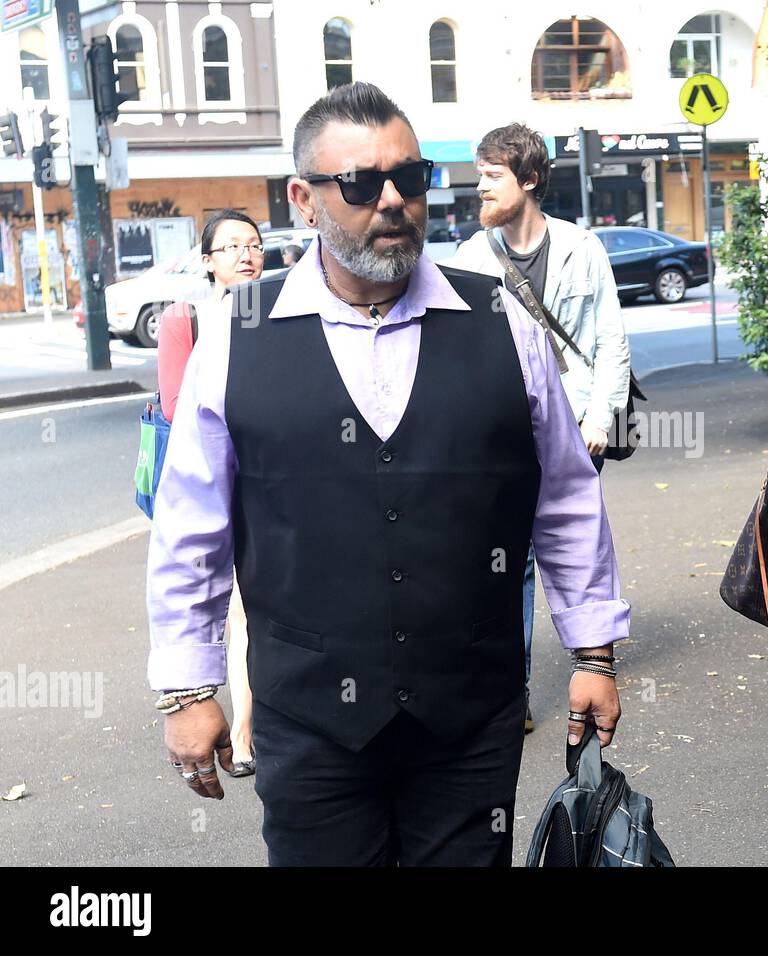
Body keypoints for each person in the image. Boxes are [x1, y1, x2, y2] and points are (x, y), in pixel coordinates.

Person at [146, 82, 628, 866]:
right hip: (308, 722)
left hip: (470, 717)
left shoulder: (503, 320)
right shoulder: (237, 337)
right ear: (305, 199)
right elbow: (191, 525)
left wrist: (594, 654)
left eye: (413, 177)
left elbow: (567, 497)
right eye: (363, 184)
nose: (395, 200)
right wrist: (189, 688)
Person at [447, 123, 630, 733]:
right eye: (480, 177)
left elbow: (610, 341)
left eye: (493, 177)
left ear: (528, 180)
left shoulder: (583, 248)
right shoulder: (469, 260)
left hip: (577, 423)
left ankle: (593, 662)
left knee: (576, 541)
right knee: (510, 558)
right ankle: (514, 689)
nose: (481, 189)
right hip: (505, 429)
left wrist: (600, 416)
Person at [154, 208, 262, 777]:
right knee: (237, 610)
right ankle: (243, 729)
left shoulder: (278, 316)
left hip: (268, 487)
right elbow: (178, 411)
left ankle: (245, 727)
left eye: (254, 244)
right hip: (215, 487)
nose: (246, 255)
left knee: (248, 611)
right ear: (208, 261)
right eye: (231, 247)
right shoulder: (187, 320)